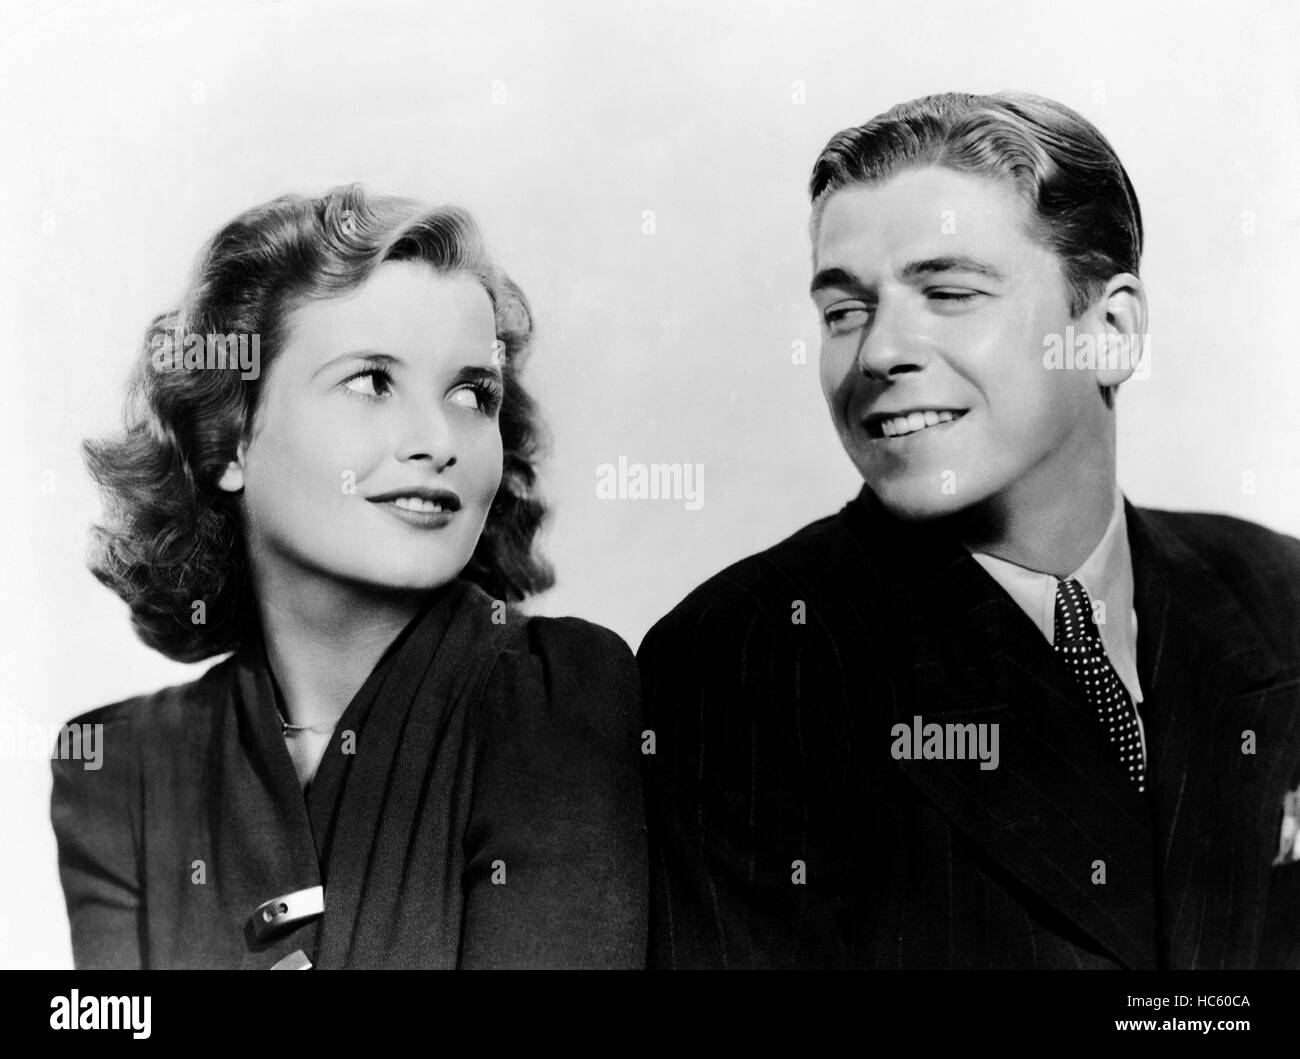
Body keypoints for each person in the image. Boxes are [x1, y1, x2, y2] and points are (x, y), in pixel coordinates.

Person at [639, 91, 1300, 969]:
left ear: (1109, 331)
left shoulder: (1276, 589)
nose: (878, 353)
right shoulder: (750, 662)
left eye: (948, 293)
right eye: (843, 312)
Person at [52, 185, 646, 969]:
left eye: (473, 393)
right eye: (372, 381)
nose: (439, 440)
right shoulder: (121, 770)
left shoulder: (555, 696)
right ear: (230, 440)